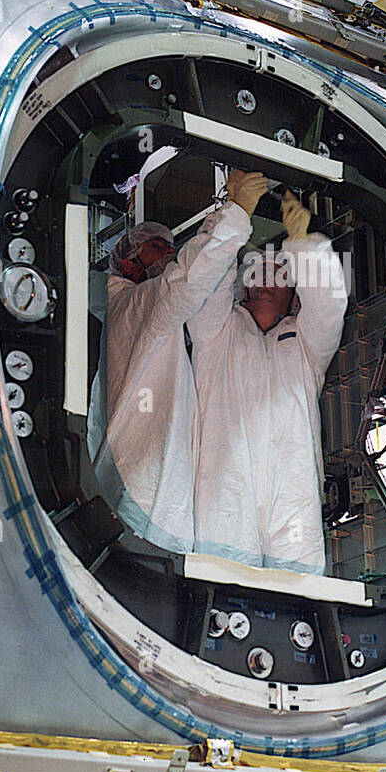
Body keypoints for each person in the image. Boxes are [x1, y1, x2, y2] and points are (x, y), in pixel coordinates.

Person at [92, 169, 267, 554]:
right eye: (157, 245)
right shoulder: (134, 306)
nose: (169, 251)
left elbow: (204, 285)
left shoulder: (145, 310)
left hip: (156, 498)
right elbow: (186, 282)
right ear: (129, 263)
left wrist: (227, 220)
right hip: (147, 494)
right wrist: (235, 212)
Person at [189, 191, 348, 573]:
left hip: (293, 509)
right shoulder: (214, 333)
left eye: (278, 274)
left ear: (294, 295)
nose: (264, 282)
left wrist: (302, 247)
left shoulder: (306, 347)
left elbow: (328, 305)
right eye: (255, 274)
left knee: (298, 599)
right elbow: (204, 283)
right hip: (223, 503)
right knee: (221, 592)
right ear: (241, 289)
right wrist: (237, 216)